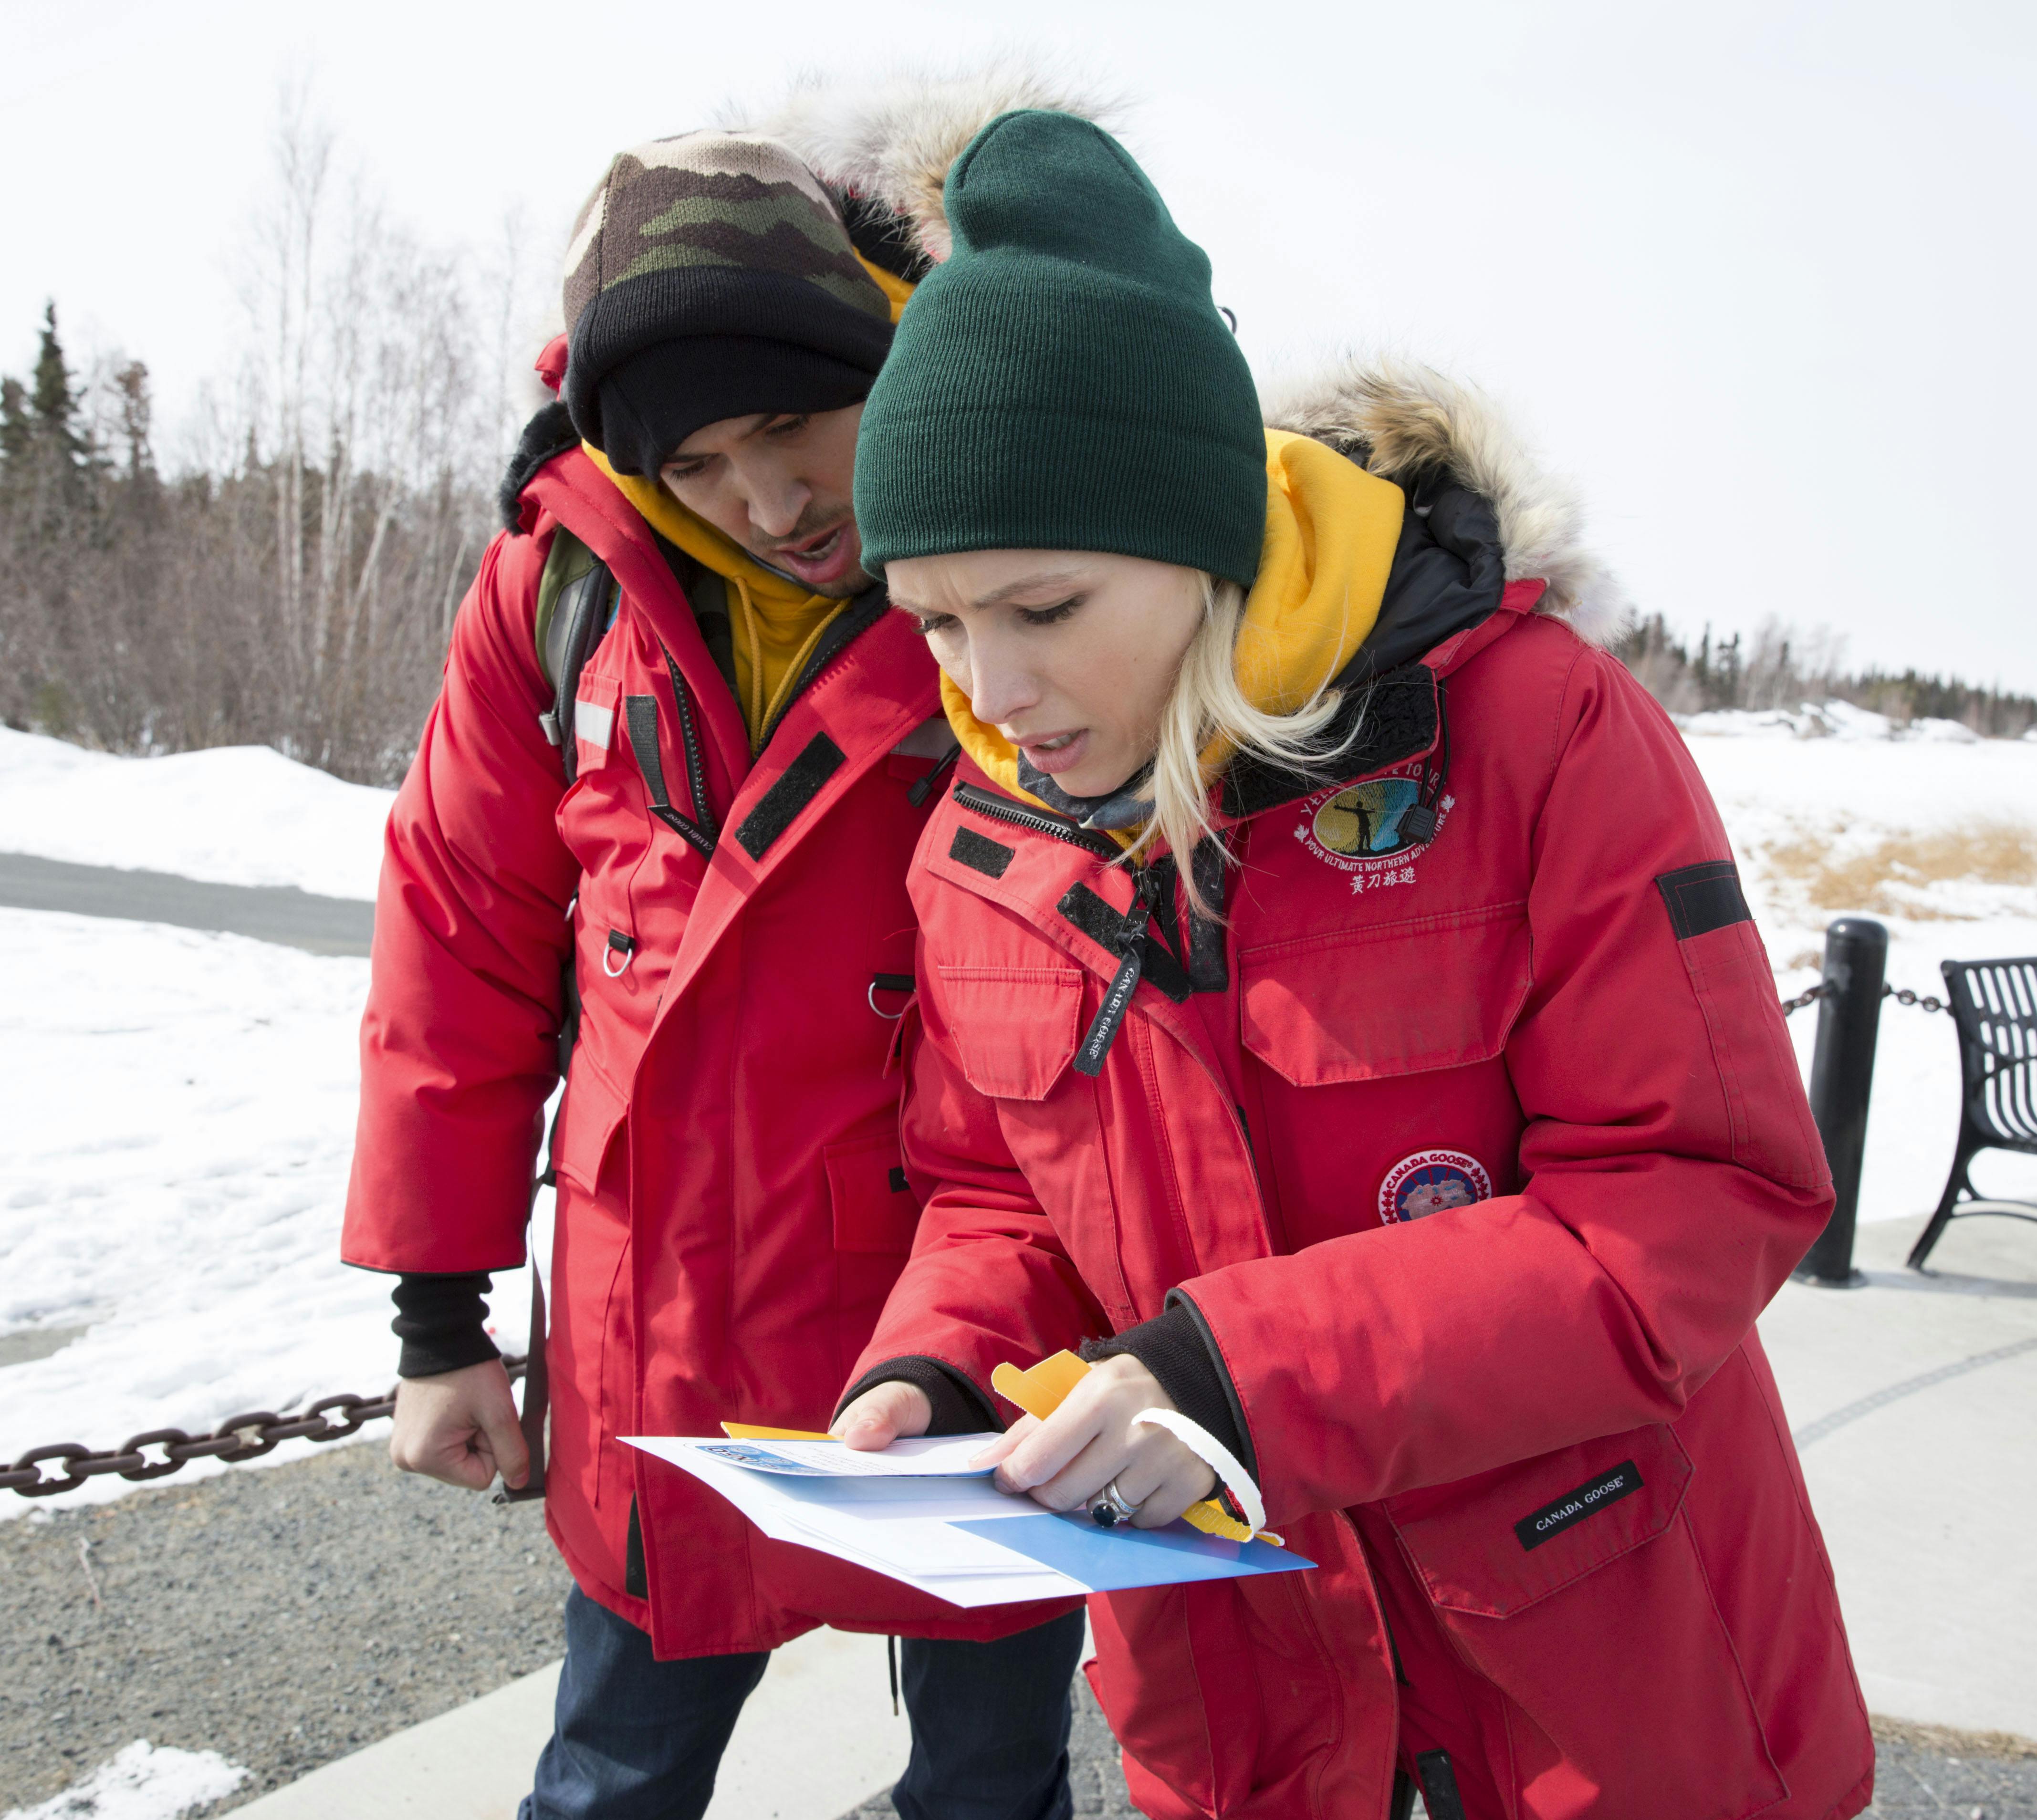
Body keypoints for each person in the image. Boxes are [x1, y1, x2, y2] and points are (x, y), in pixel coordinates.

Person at [832, 110, 1876, 1820]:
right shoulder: (984, 837)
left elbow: (1697, 1195)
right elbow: (998, 1190)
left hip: (1595, 1677)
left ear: (1202, 538)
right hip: (1247, 1695)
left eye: (1041, 605)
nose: (989, 687)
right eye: (937, 622)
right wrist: (936, 1364)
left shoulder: (1533, 730)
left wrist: (1243, 1381)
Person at [340, 83, 1099, 1820]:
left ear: (877, 357)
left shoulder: (1030, 559)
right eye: (691, 461)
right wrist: (436, 1315)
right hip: (651, 1328)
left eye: (792, 420)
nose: (765, 501)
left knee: (989, 1789)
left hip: (974, 1312)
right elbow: (457, 944)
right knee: (609, 1785)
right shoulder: (556, 593)